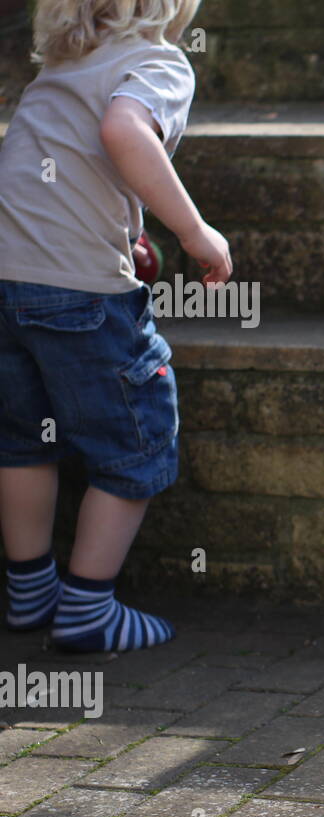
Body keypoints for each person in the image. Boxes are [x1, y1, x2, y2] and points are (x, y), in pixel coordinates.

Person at [0, 0, 231, 652]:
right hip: (78, 292)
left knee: (22, 438)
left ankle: (31, 591)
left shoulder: (60, 69)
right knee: (139, 438)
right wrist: (194, 232)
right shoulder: (158, 62)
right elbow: (124, 135)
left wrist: (126, 234)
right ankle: (87, 611)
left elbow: (51, 172)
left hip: (8, 278)